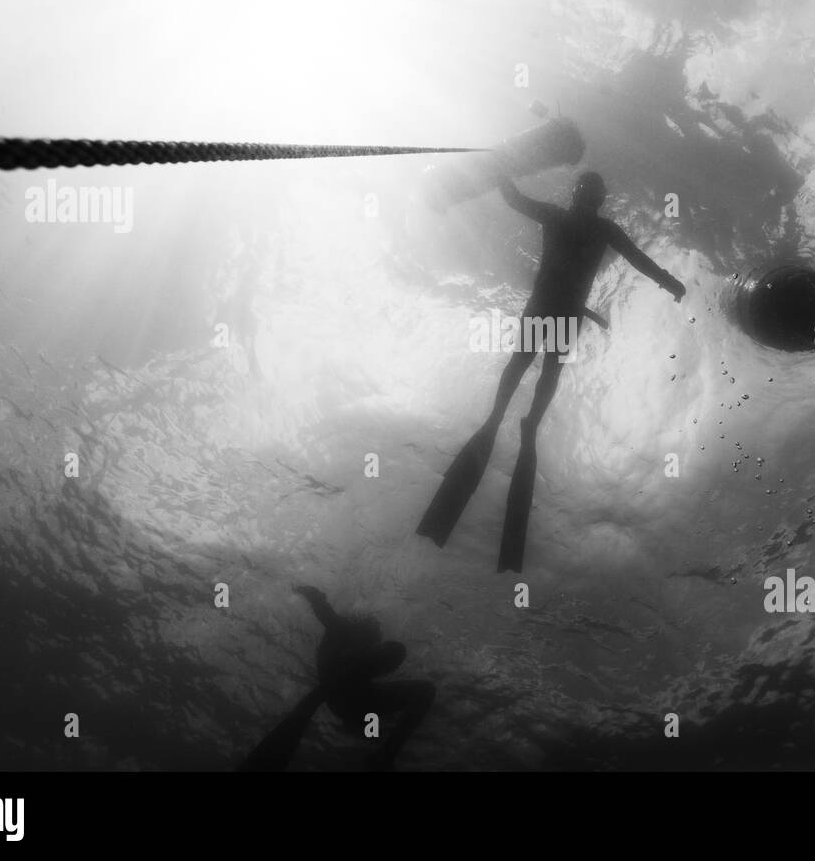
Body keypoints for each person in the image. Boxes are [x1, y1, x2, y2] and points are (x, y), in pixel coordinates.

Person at [417, 170, 685, 572]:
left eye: (591, 192)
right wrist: (503, 167)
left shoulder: (577, 221)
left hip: (551, 309)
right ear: (587, 195)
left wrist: (666, 280)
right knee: (534, 367)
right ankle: (512, 419)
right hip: (556, 310)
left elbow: (515, 199)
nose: (586, 196)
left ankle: (518, 421)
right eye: (585, 191)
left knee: (540, 369)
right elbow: (515, 198)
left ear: (594, 197)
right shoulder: (580, 222)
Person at [239, 585, 435, 771]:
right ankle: (368, 736)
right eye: (374, 633)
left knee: (423, 687)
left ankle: (384, 754)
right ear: (362, 627)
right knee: (390, 655)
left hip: (358, 699)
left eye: (377, 639)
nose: (377, 637)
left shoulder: (368, 650)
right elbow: (324, 610)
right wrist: (312, 593)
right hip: (337, 693)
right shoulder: (342, 629)